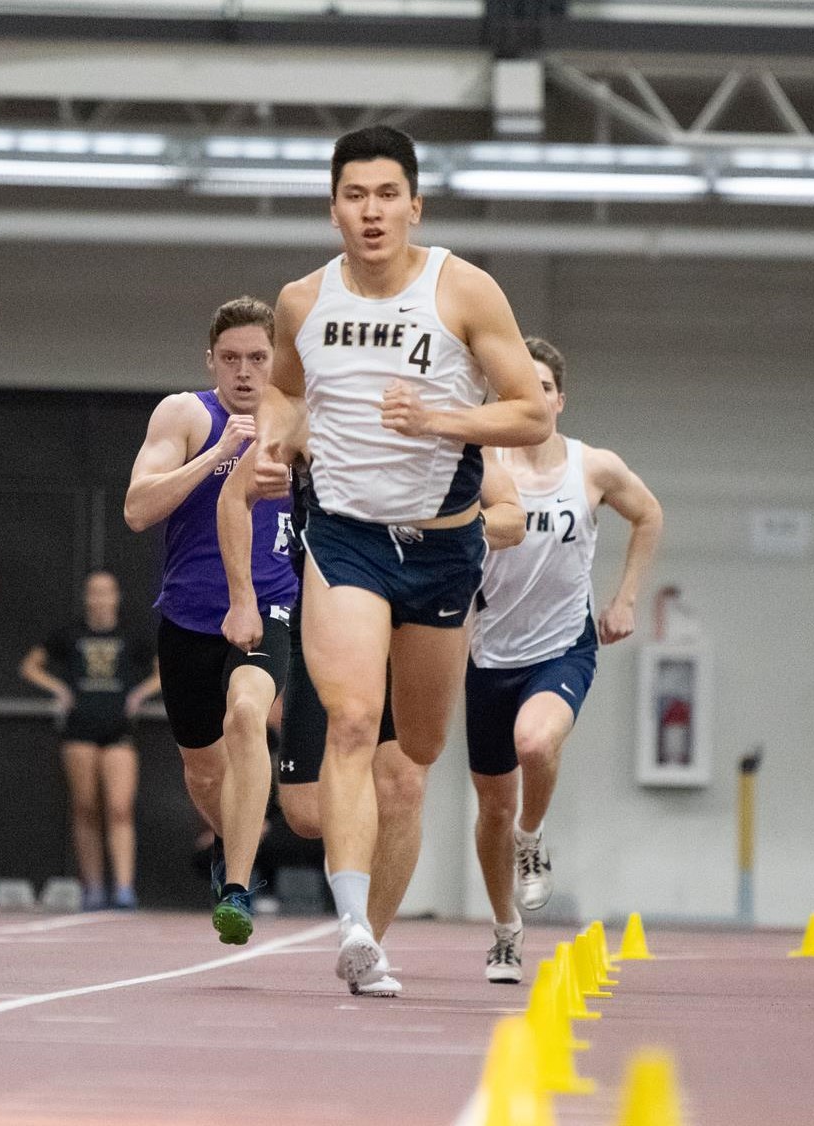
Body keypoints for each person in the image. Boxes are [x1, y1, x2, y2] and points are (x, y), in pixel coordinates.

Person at [256, 123, 551, 991]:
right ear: (334, 207)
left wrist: (441, 420)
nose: (372, 211)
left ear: (414, 205)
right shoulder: (303, 301)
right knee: (351, 723)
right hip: (345, 538)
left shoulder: (463, 292)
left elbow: (530, 413)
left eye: (388, 195)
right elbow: (280, 384)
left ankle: (369, 920)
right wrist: (276, 439)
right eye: (356, 195)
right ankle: (353, 927)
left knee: (414, 748)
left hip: (444, 546)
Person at [221, 410, 523, 994]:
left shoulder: (442, 421)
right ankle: (354, 857)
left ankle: (365, 938)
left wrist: (452, 529)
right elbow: (236, 497)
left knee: (409, 778)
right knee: (307, 814)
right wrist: (243, 595)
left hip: (421, 607)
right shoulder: (319, 413)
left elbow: (513, 513)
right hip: (338, 610)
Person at [466, 337, 663, 984]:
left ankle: (533, 835)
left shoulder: (593, 467)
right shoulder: (480, 464)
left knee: (536, 742)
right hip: (490, 654)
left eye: (545, 386)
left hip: (562, 648)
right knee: (488, 808)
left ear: (559, 398)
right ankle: (504, 932)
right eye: (522, 386)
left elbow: (649, 515)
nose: (536, 397)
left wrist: (626, 599)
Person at [124, 296, 300, 943]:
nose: (245, 372)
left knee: (248, 715)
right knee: (203, 768)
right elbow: (138, 508)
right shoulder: (186, 415)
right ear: (211, 361)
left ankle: (237, 886)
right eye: (231, 359)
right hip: (190, 617)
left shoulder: (297, 421)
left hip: (267, 605)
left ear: (275, 360)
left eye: (258, 358)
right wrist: (218, 453)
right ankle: (236, 839)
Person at [21, 570, 159, 911]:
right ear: (86, 597)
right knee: (85, 808)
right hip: (79, 728)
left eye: (106, 592)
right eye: (94, 592)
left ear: (116, 596)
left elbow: (163, 671)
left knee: (119, 808)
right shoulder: (70, 634)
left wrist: (140, 694)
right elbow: (31, 665)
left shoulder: (132, 634)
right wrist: (59, 688)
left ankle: (125, 887)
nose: (100, 598)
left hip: (118, 728)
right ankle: (93, 887)